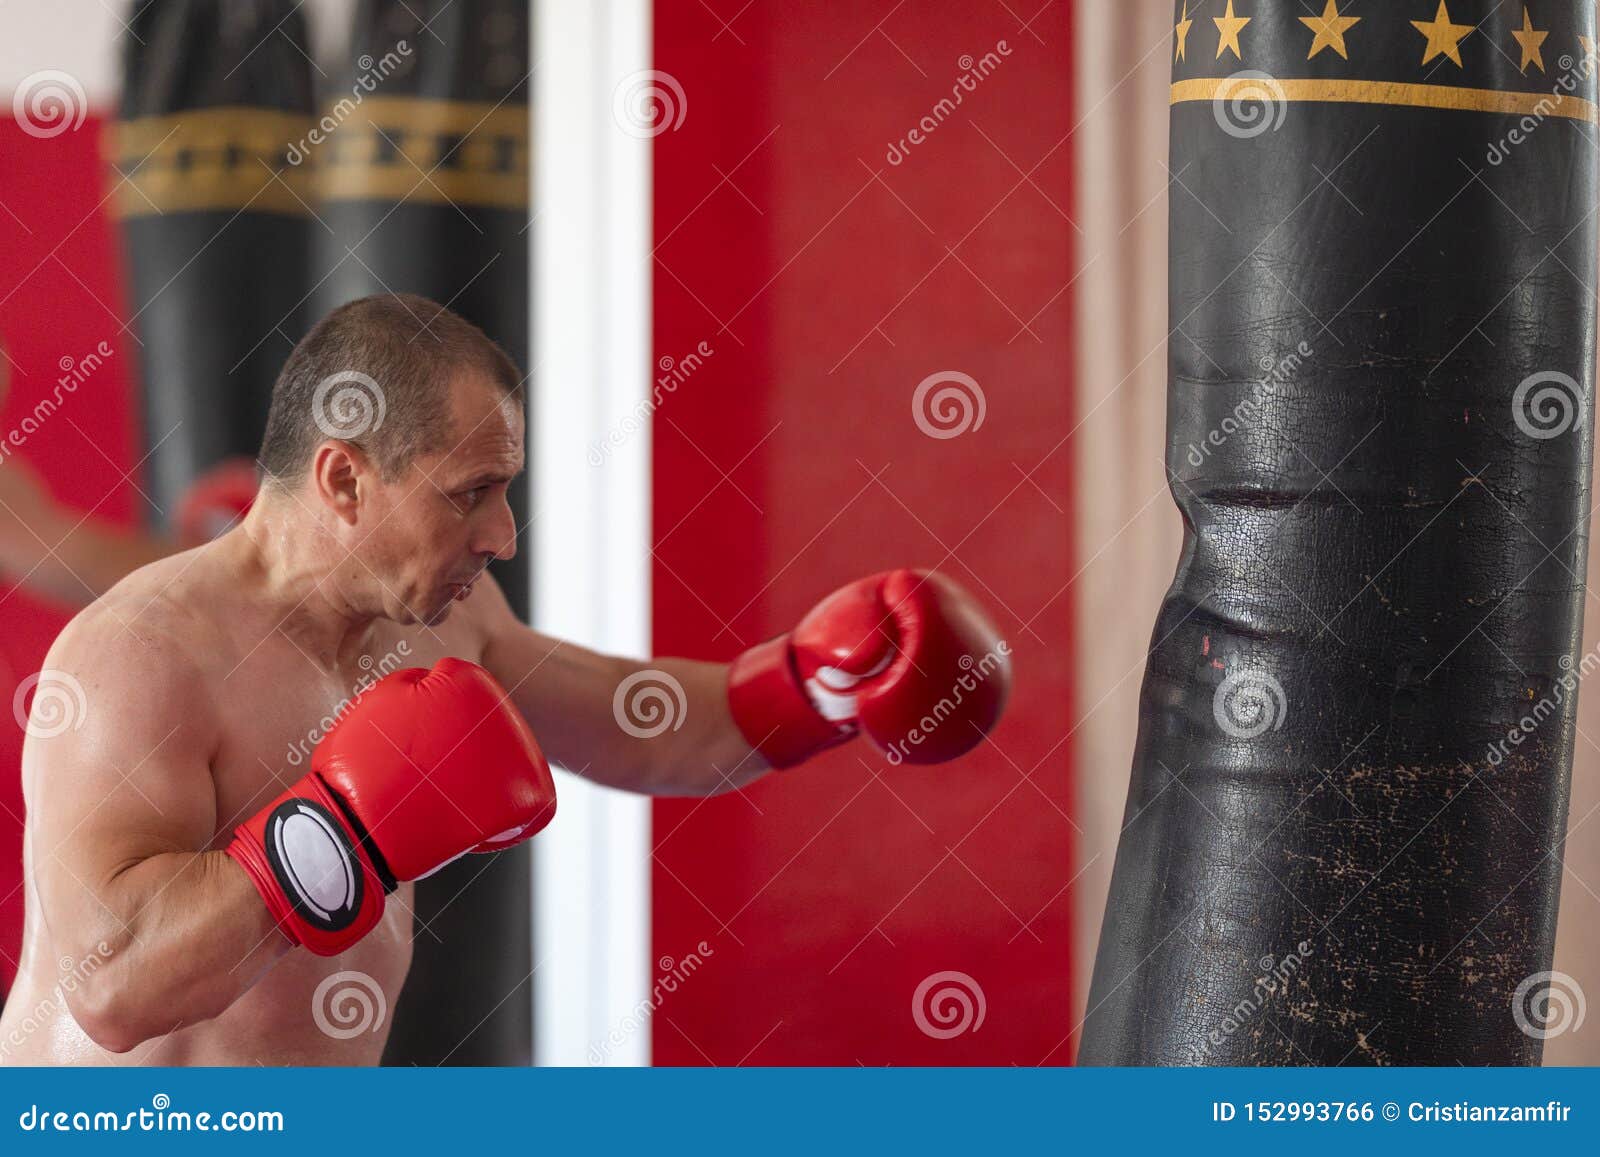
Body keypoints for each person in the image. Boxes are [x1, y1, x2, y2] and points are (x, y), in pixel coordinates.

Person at [0, 294, 1010, 1065]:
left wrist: (820, 683)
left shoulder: (445, 620)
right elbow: (111, 984)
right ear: (343, 478)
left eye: (506, 490)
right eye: (470, 494)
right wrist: (341, 837)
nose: (501, 534)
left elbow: (642, 725)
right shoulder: (139, 653)